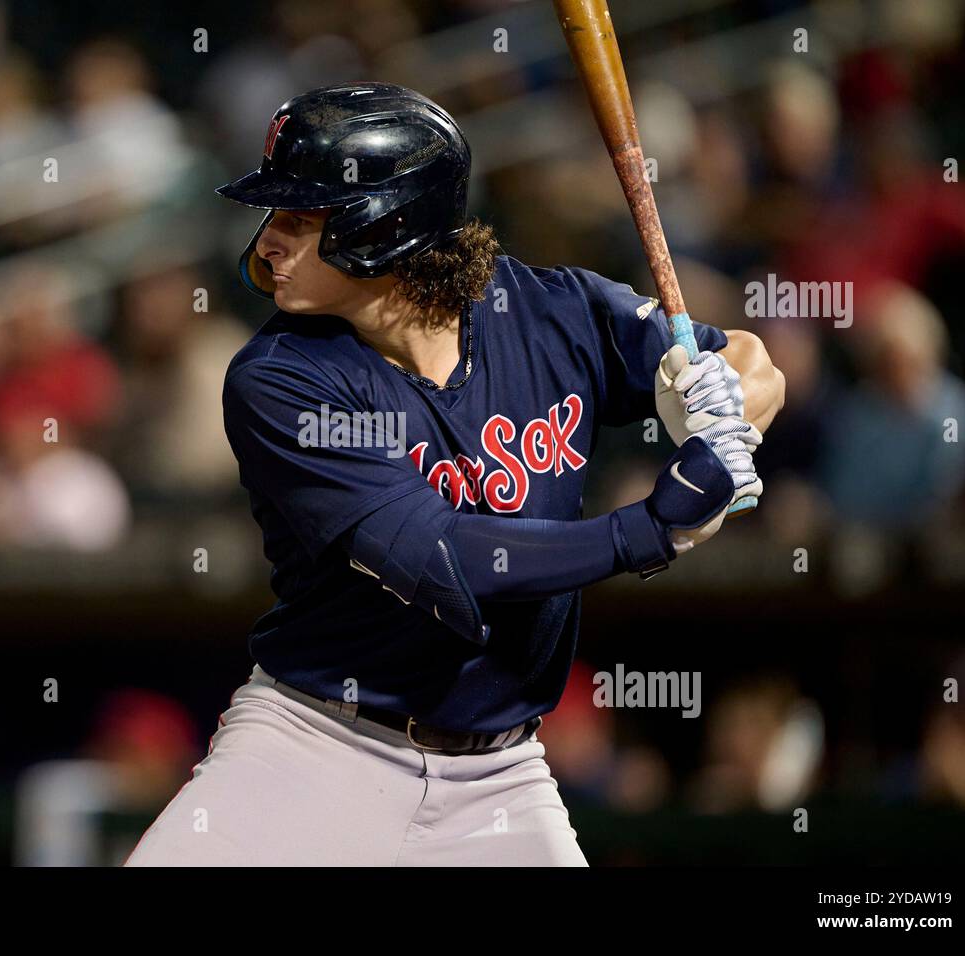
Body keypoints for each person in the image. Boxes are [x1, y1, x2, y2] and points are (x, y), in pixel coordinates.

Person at [126, 82, 784, 866]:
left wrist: (724, 403)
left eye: (299, 219)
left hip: (499, 777)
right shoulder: (279, 378)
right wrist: (647, 531)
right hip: (315, 745)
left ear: (386, 227)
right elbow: (444, 558)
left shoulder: (550, 312)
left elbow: (752, 359)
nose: (269, 241)